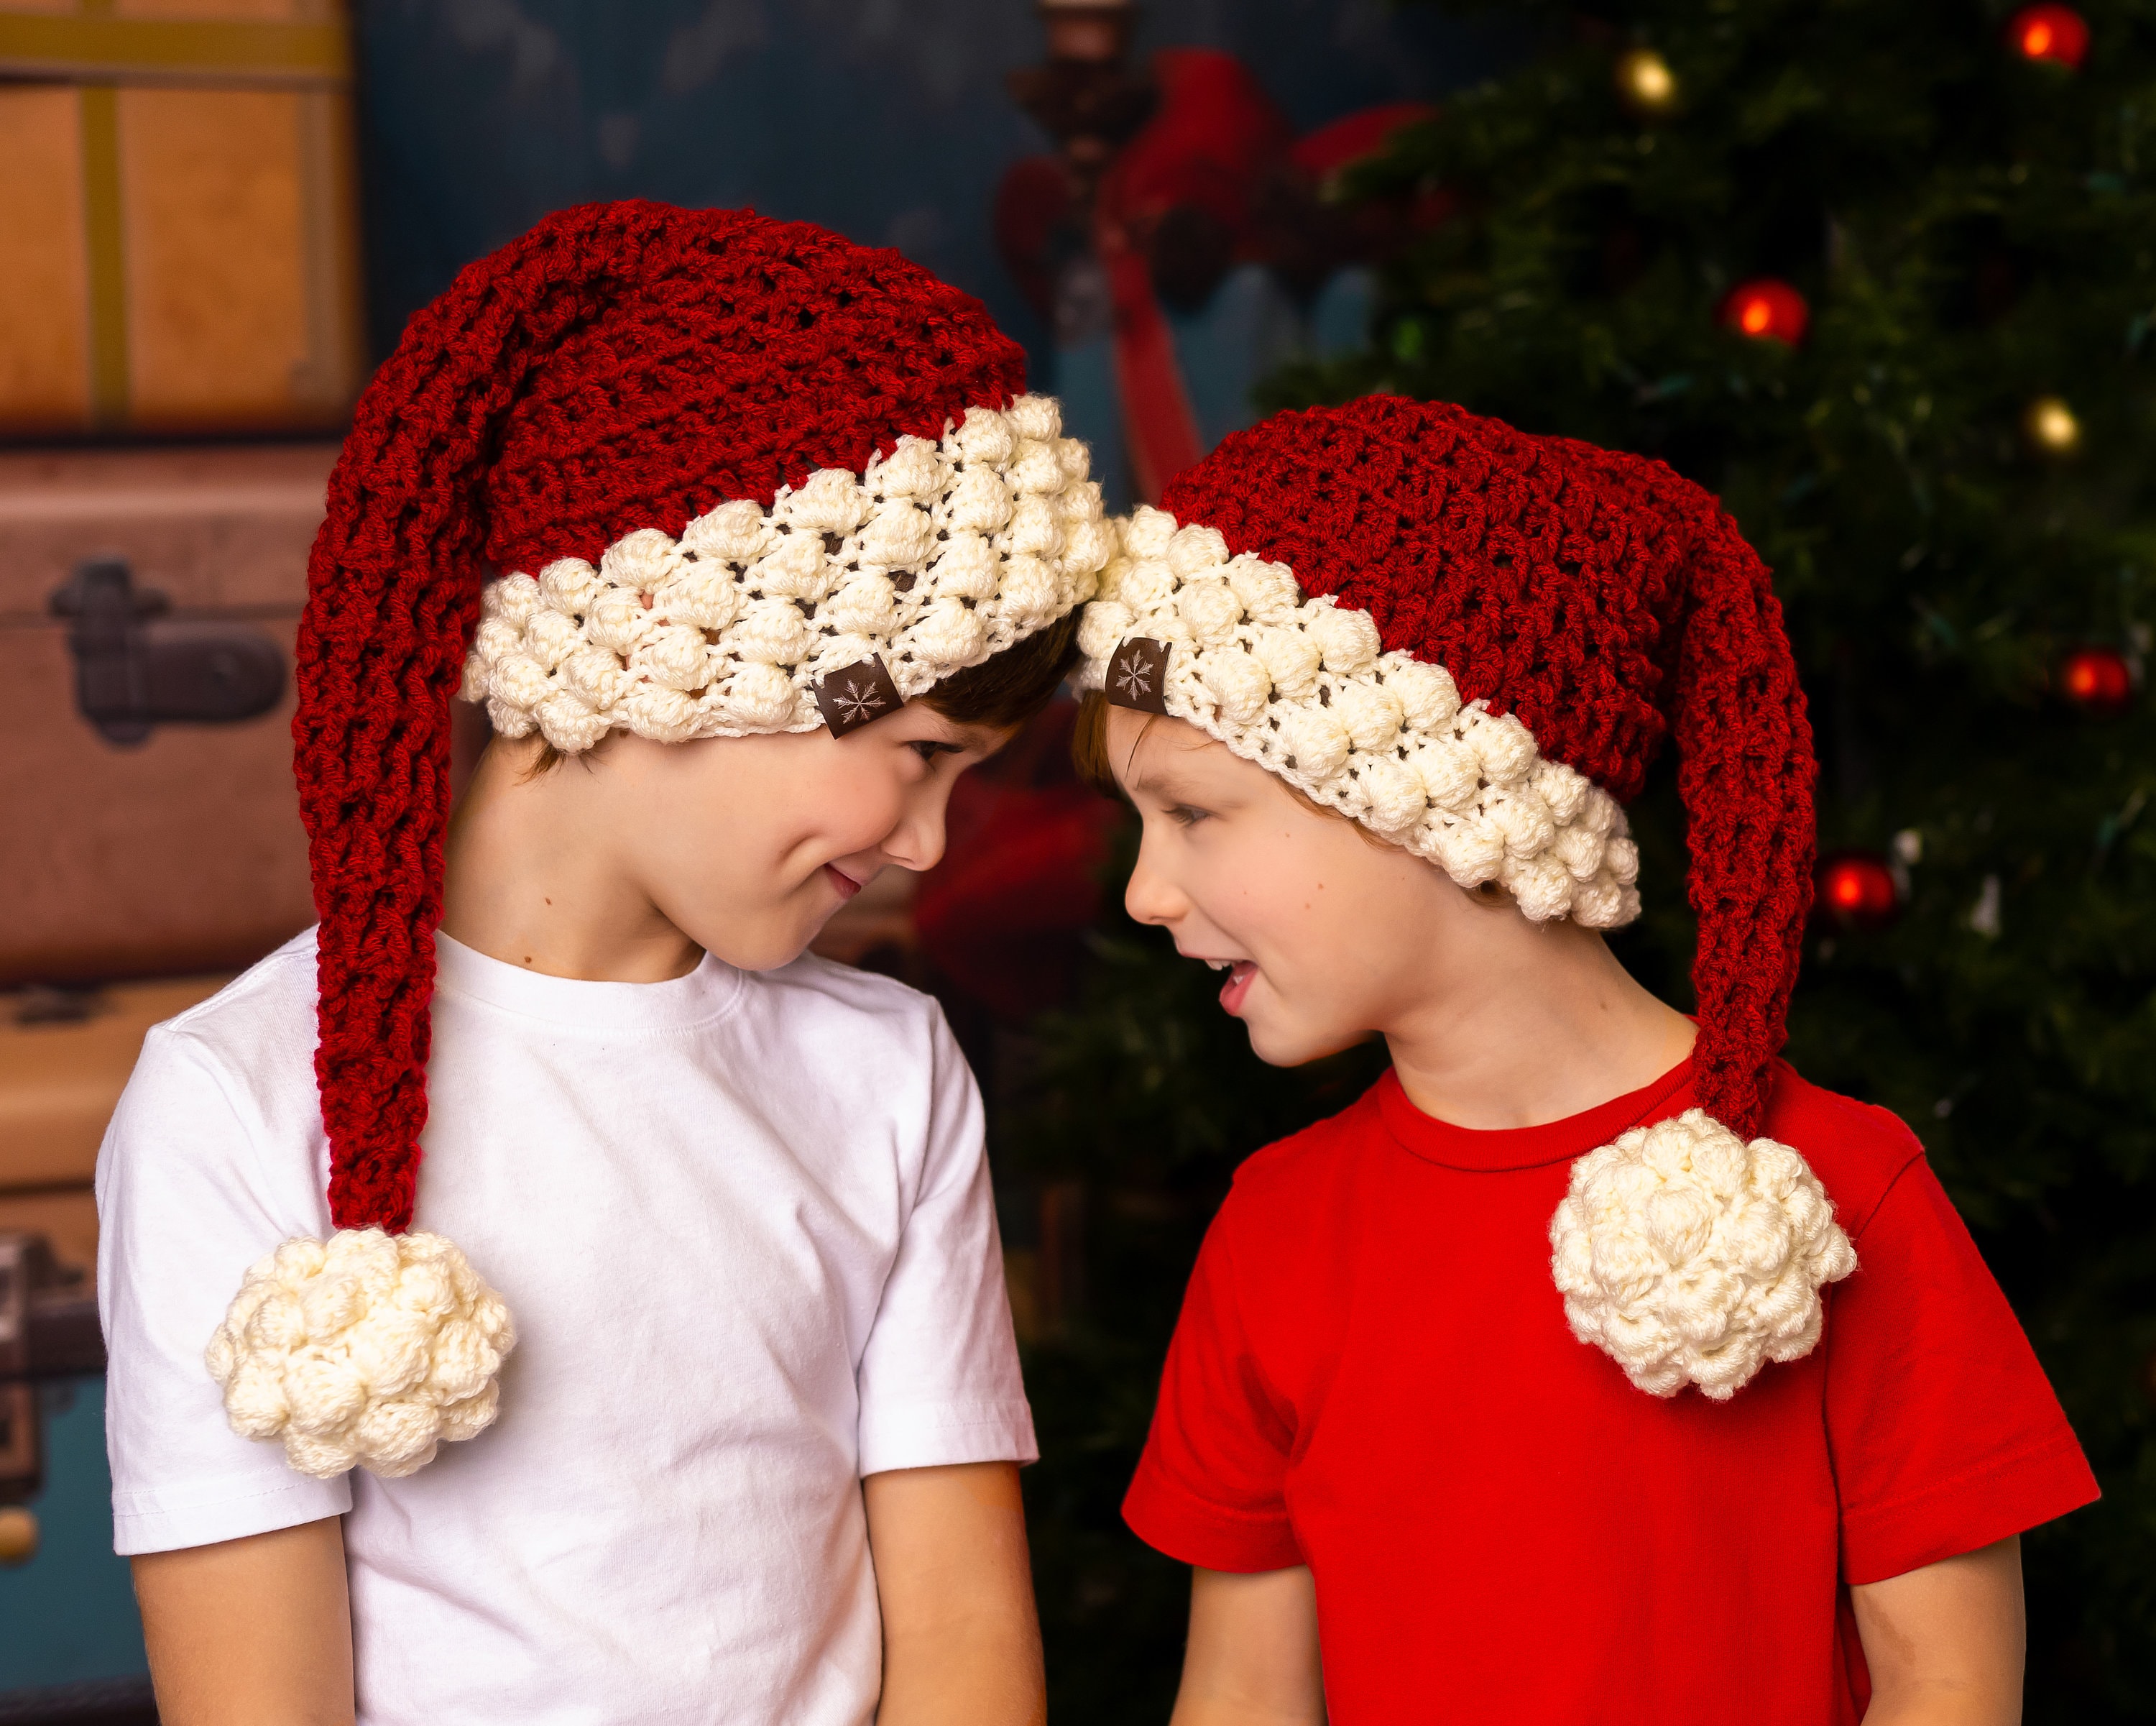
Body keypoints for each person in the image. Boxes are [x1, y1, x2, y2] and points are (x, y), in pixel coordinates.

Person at [95, 201, 1112, 1726]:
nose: (926, 844)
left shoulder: (888, 1072)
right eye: (916, 754)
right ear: (662, 640)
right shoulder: (234, 1105)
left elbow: (964, 1646)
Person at [1069, 395, 2099, 1725]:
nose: (1146, 893)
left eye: (1195, 813)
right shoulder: (1273, 1236)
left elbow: (1948, 1686)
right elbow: (1241, 1698)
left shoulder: (1844, 1189)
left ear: (1435, 797)